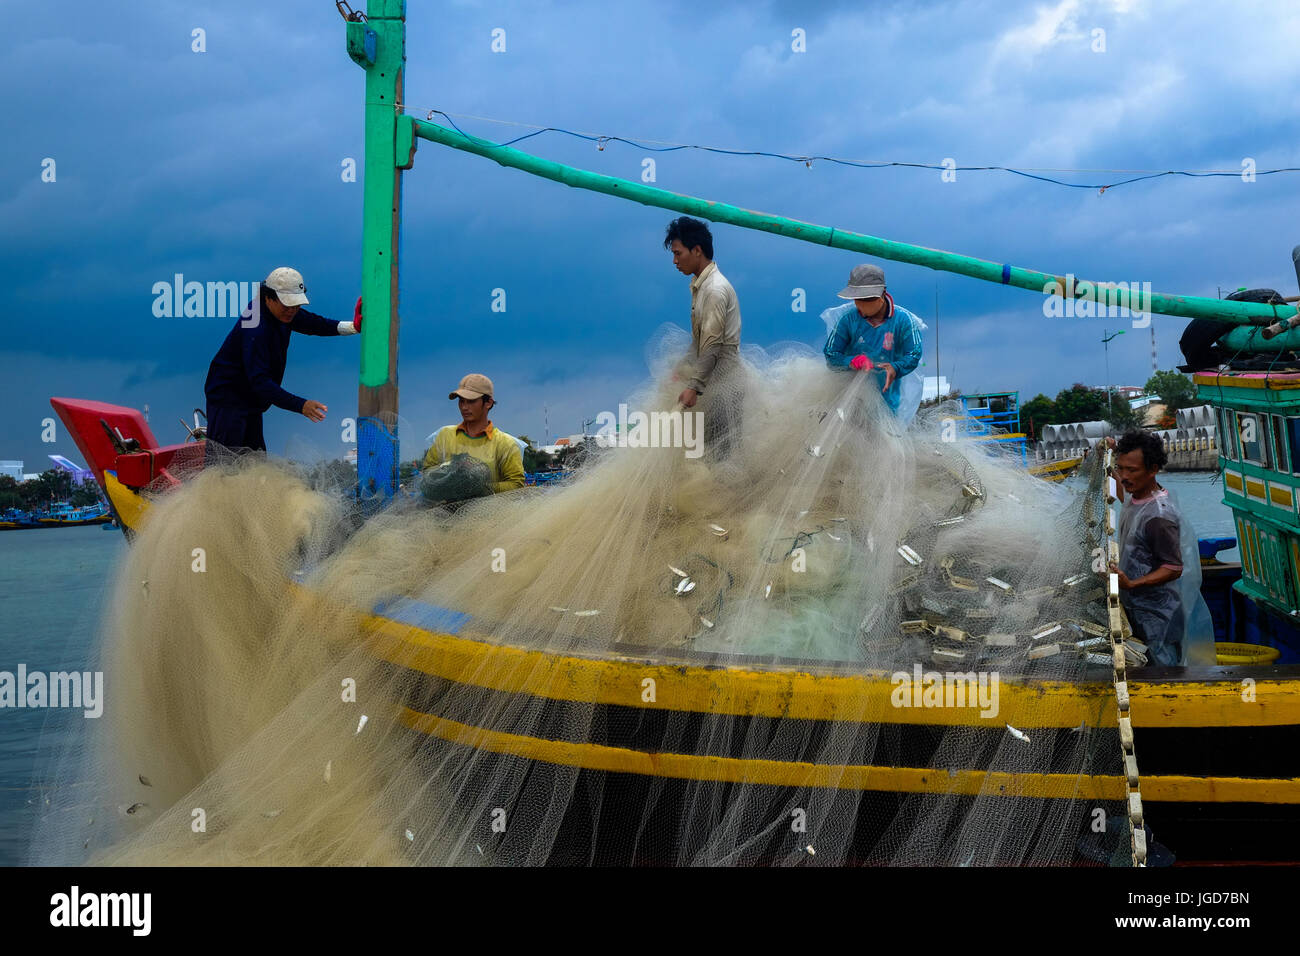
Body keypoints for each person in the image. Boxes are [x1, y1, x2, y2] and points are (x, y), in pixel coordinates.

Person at [203, 267, 361, 452]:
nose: (292, 311)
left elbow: (314, 324)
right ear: (268, 298)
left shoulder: (284, 313)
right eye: (288, 305)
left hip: (251, 399)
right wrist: (300, 405)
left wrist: (353, 327)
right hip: (228, 398)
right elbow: (260, 382)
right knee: (227, 464)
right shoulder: (256, 327)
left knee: (255, 461)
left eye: (296, 305)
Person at [1107, 430, 1191, 666]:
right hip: (1136, 607)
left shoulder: (1159, 516)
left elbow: (1173, 567)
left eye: (1131, 470)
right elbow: (1121, 489)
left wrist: (1132, 584)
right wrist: (1110, 451)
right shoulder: (1136, 497)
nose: (1124, 476)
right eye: (1120, 468)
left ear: (1153, 469)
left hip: (1158, 614)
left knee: (1162, 667)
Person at [664, 216, 742, 459]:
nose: (675, 261)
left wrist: (693, 387)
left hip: (724, 386)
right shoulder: (701, 285)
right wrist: (683, 368)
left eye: (678, 253)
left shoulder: (715, 290)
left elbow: (712, 345)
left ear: (697, 250)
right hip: (714, 383)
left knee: (721, 456)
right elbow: (699, 341)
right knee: (709, 455)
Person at [822, 263, 924, 420]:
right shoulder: (848, 320)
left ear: (882, 295)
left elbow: (914, 354)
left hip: (887, 402)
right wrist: (852, 361)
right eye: (857, 299)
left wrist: (895, 367)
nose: (860, 304)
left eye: (867, 299)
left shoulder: (903, 321)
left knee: (881, 439)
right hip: (849, 399)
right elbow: (831, 354)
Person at [422, 373, 525, 495]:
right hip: (446, 512)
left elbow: (516, 484)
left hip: (489, 513)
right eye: (461, 401)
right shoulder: (445, 435)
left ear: (488, 403)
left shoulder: (505, 443)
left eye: (471, 401)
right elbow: (427, 472)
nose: (464, 407)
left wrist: (480, 488)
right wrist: (447, 478)